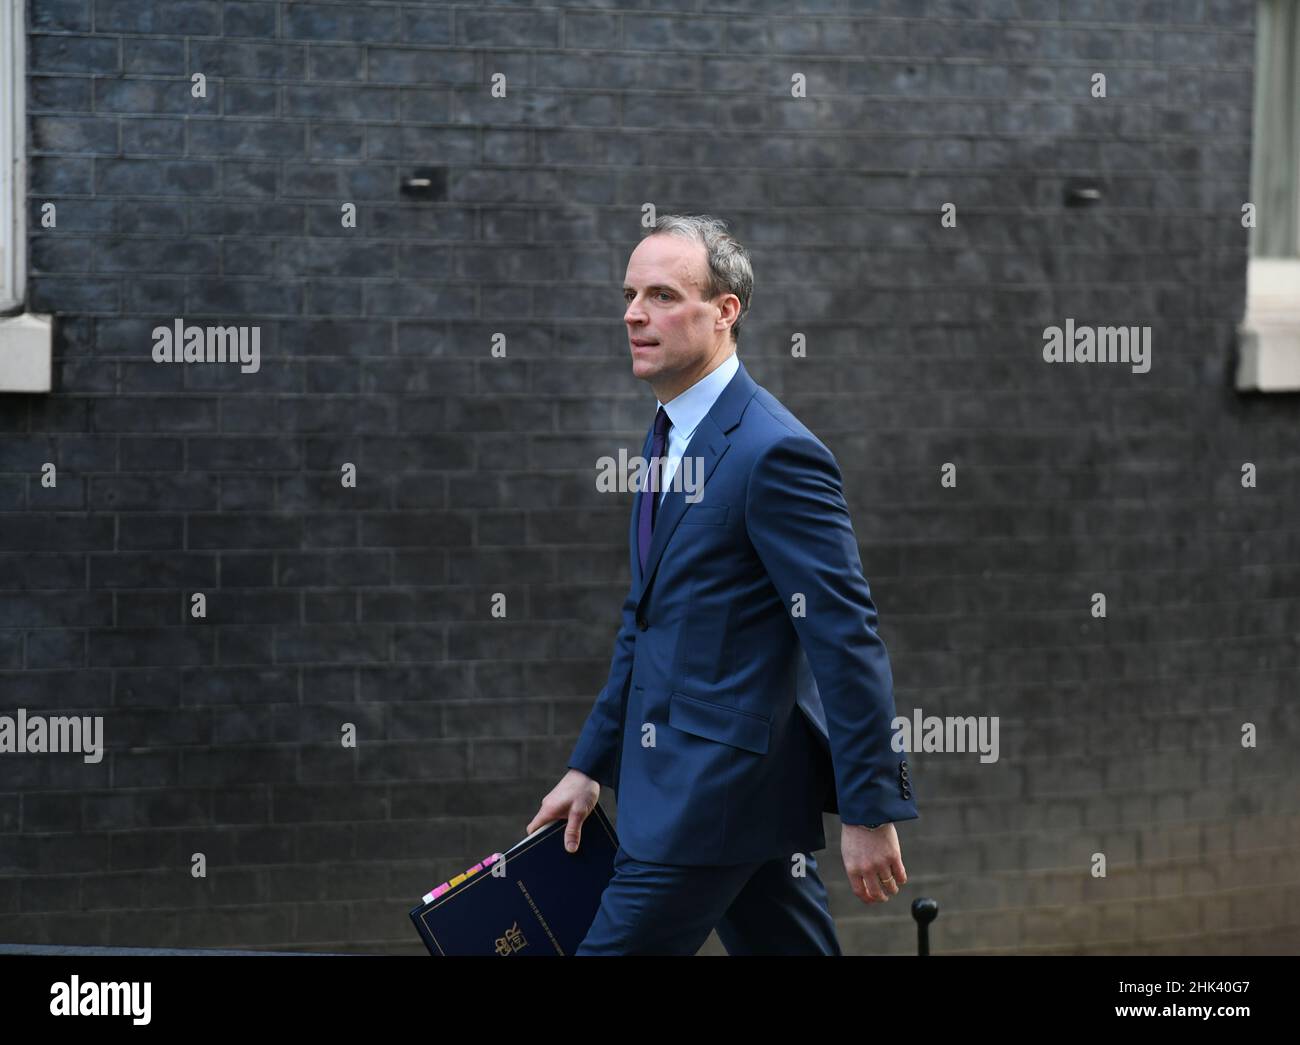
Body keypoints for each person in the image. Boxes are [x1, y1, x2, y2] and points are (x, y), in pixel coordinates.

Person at [526, 213, 917, 955]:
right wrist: (589, 765)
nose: (634, 313)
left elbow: (845, 635)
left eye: (664, 295)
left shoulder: (776, 452)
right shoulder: (669, 432)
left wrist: (870, 808)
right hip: (726, 793)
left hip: (704, 803)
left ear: (725, 311)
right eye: (631, 294)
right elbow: (645, 621)